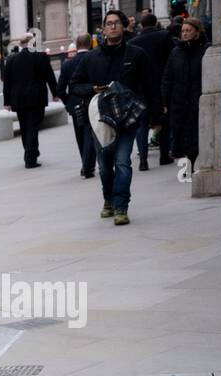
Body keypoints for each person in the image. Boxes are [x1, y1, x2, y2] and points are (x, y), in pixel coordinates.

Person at [68, 9, 153, 224]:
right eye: (109, 23)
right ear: (103, 29)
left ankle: (121, 207)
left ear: (124, 27)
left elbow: (149, 86)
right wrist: (93, 89)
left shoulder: (136, 54)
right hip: (101, 121)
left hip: (127, 118)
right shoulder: (90, 58)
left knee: (123, 162)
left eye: (116, 23)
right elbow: (75, 85)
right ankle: (108, 199)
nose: (113, 26)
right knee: (105, 166)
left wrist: (153, 114)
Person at [3, 33, 59, 168]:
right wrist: (55, 93)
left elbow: (7, 83)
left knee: (24, 127)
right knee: (33, 127)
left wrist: (7, 102)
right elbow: (50, 77)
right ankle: (30, 157)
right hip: (36, 98)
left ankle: (31, 152)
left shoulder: (11, 59)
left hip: (19, 99)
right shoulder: (41, 57)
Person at [161, 19, 208, 173]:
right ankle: (187, 166)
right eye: (183, 31)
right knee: (181, 135)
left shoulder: (206, 49)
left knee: (195, 135)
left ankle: (193, 164)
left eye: (188, 30)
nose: (185, 33)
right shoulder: (176, 52)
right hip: (179, 101)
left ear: (197, 31)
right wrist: (164, 101)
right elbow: (167, 78)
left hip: (197, 99)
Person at [129, 11, 175, 169]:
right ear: (156, 23)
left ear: (141, 25)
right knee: (163, 121)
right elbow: (173, 58)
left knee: (141, 124)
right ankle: (164, 155)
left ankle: (143, 159)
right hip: (161, 85)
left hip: (141, 88)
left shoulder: (134, 42)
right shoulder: (164, 36)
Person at [57, 33, 99, 178]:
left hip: (75, 104)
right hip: (92, 101)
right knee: (91, 134)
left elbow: (60, 89)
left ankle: (85, 163)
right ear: (89, 44)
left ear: (77, 44)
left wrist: (68, 102)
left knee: (80, 135)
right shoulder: (95, 59)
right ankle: (88, 165)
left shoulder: (67, 64)